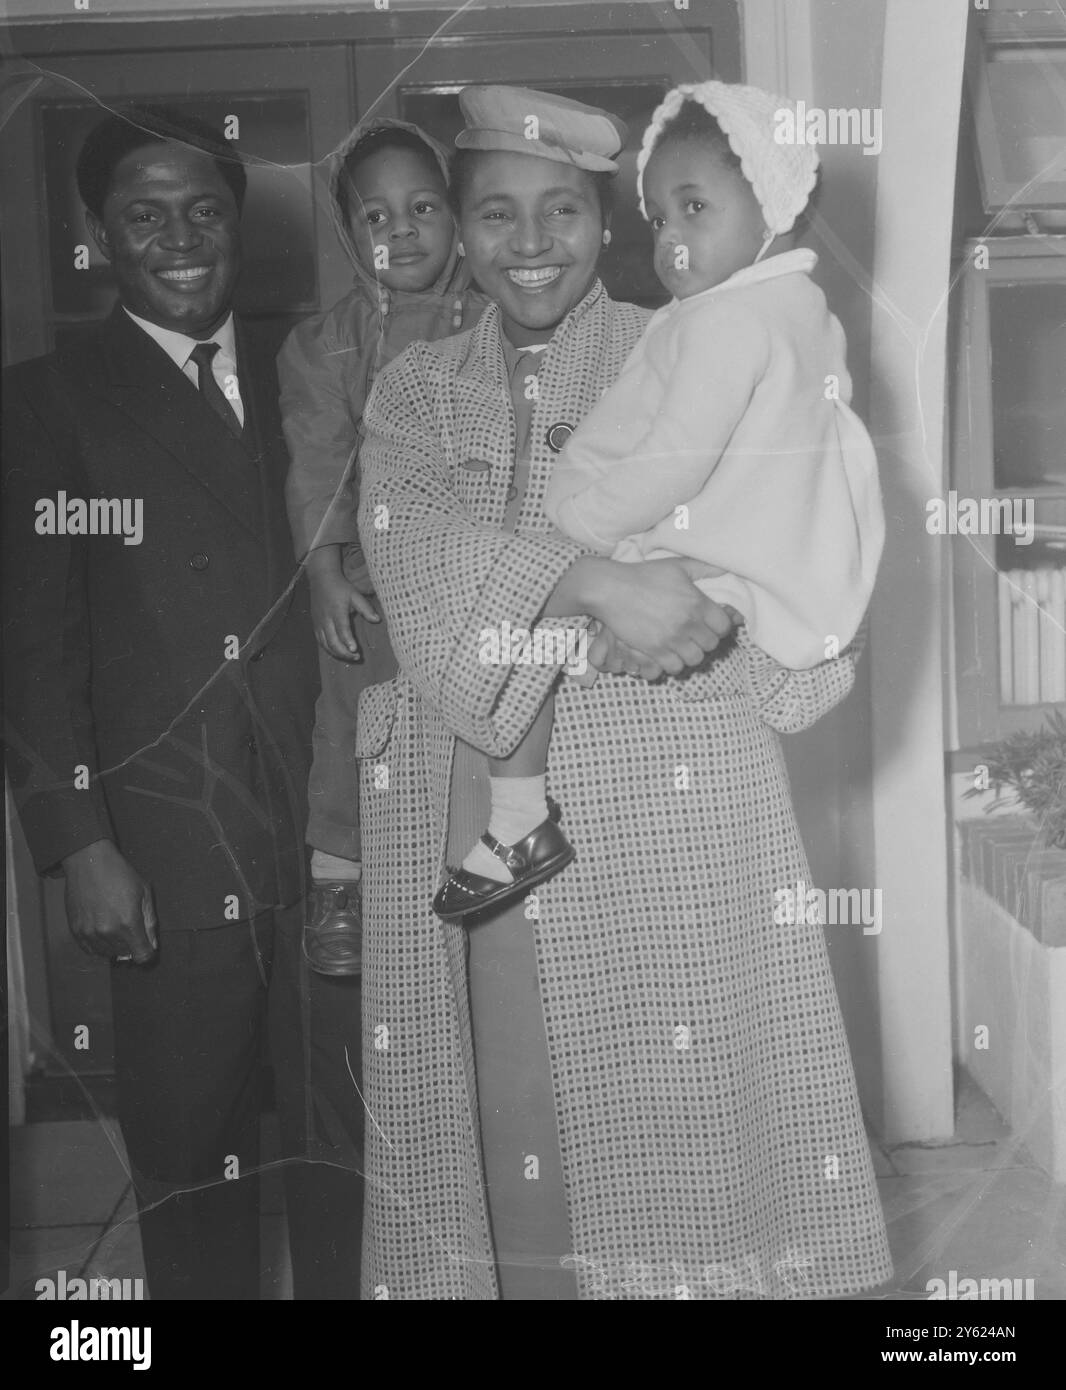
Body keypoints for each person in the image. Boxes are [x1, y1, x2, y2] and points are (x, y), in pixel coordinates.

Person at [355, 84, 893, 1299]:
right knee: (487, 1123)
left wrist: (708, 607)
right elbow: (410, 557)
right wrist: (595, 579)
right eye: (494, 212)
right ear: (458, 225)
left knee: (676, 1136)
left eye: (563, 211)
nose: (529, 241)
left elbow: (806, 527)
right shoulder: (412, 391)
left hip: (667, 802)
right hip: (461, 798)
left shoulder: (699, 336)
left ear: (612, 225)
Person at [2, 106, 363, 1300]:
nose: (179, 237)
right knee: (192, 1161)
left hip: (327, 828)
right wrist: (80, 844)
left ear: (238, 226)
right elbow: (33, 649)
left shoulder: (312, 366)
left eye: (204, 209)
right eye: (144, 215)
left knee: (344, 1144)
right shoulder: (47, 400)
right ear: (97, 236)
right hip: (167, 843)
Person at [434, 81, 886, 921]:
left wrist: (584, 527)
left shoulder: (714, 323)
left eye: (694, 208)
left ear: (774, 207)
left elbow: (677, 459)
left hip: (693, 743)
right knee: (576, 610)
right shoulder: (793, 305)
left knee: (548, 611)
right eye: (660, 218)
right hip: (769, 554)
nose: (673, 239)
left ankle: (519, 818)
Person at [278, 116, 487, 974]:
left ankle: (490, 850)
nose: (401, 230)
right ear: (347, 231)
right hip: (376, 571)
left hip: (478, 567)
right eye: (375, 216)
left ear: (458, 215)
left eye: (423, 207)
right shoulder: (326, 343)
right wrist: (325, 571)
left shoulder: (496, 318)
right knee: (350, 702)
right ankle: (340, 872)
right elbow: (318, 459)